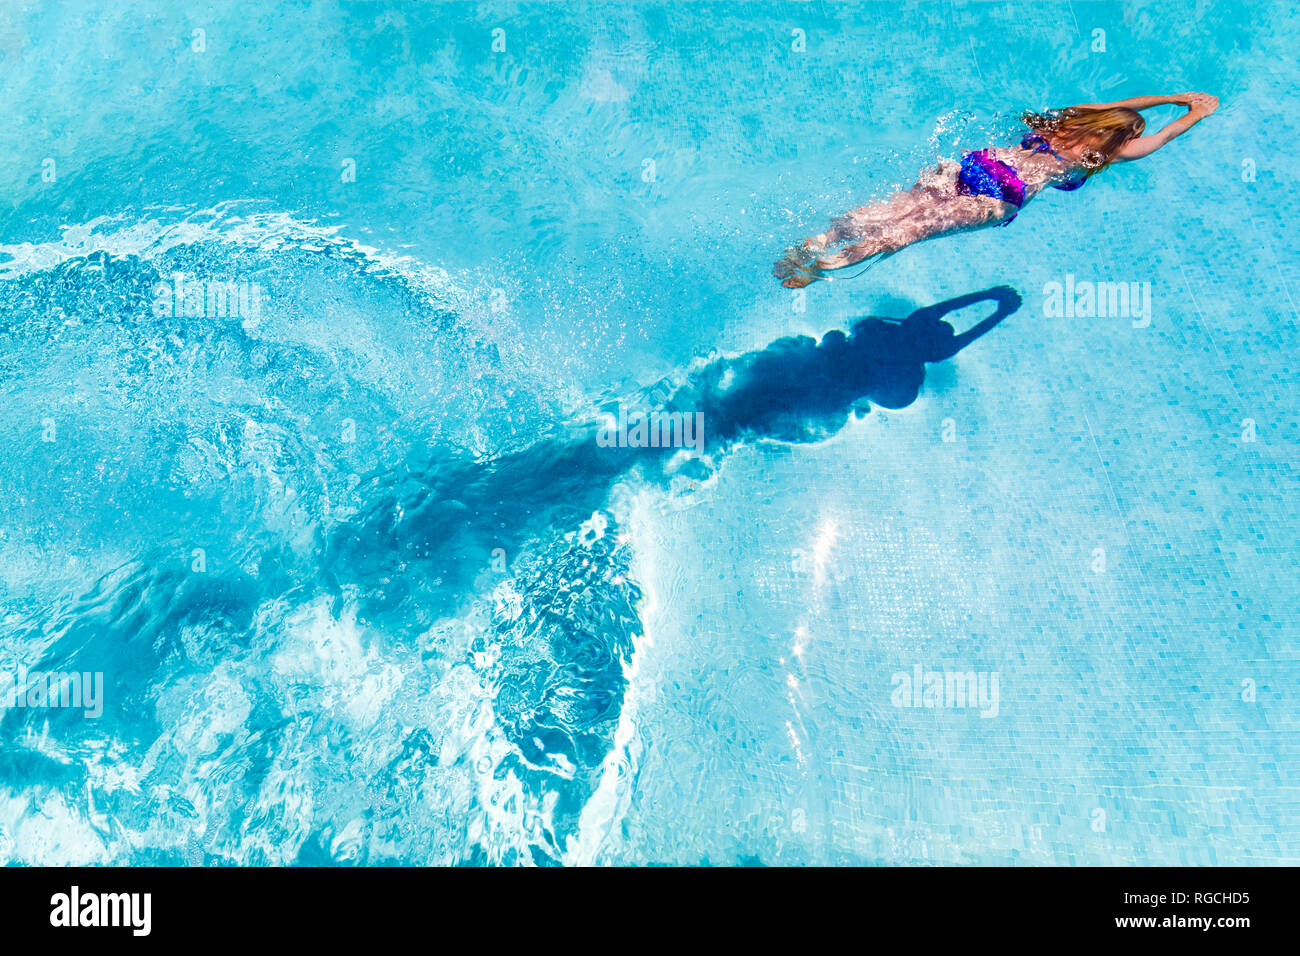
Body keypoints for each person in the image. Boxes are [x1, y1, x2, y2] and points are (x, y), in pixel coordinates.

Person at [773, 93, 1219, 288]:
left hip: (981, 162)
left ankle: (816, 243)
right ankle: (822, 268)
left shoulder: (1064, 124)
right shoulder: (1097, 157)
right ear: (1119, 142)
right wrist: (1196, 114)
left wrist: (1172, 96)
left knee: (891, 210)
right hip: (1002, 193)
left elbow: (1109, 109)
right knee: (904, 234)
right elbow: (1162, 139)